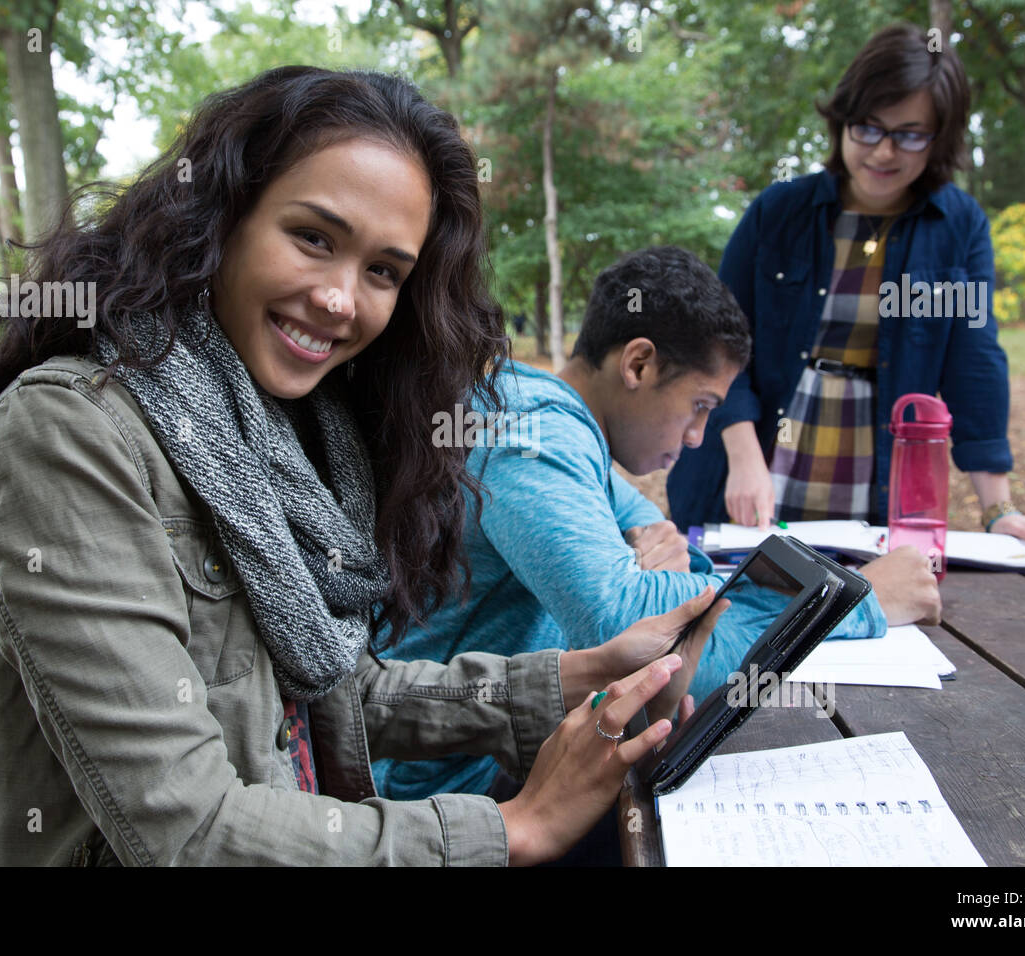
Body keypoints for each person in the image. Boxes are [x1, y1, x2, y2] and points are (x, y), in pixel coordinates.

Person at [0, 67, 726, 866]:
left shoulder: (296, 431)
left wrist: (582, 674)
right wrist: (516, 827)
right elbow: (187, 830)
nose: (342, 299)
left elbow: (334, 698)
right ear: (221, 217)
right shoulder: (69, 435)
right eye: (313, 238)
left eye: (382, 271)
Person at [373, 246, 940, 804]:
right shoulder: (534, 435)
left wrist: (648, 585)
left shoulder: (541, 411)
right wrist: (864, 604)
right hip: (426, 801)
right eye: (699, 404)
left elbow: (658, 537)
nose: (697, 437)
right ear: (638, 364)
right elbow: (642, 650)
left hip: (484, 769)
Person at [666, 24, 1025, 546]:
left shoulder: (958, 227)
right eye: (868, 128)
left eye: (909, 133)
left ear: (939, 137)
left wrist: (999, 510)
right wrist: (744, 458)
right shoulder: (778, 213)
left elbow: (974, 364)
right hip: (746, 473)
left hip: (877, 485)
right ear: (843, 121)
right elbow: (717, 346)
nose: (882, 152)